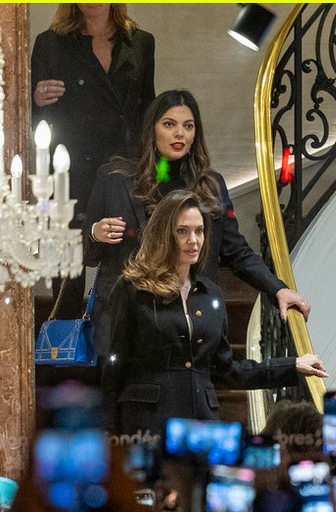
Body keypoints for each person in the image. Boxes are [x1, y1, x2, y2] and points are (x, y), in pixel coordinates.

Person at [86, 89, 311, 356]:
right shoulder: (115, 178)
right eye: (169, 124)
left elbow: (236, 252)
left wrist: (278, 290)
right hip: (127, 325)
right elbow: (87, 255)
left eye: (188, 126)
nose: (180, 133)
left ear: (196, 134)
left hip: (191, 322)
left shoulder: (210, 187)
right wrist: (94, 233)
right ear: (152, 130)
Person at [101, 190, 327, 437]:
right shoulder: (133, 288)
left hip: (203, 423)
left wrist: (293, 365)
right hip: (148, 423)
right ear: (163, 235)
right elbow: (113, 366)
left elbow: (228, 370)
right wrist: (110, 432)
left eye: (199, 231)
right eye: (182, 231)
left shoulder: (211, 295)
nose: (194, 240)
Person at [32, 4, 155, 319]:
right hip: (68, 175)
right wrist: (34, 99)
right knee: (68, 275)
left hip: (121, 172)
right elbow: (36, 123)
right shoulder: (51, 43)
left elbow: (148, 115)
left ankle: (112, 358)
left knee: (121, 271)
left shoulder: (140, 42)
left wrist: (158, 175)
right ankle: (66, 359)